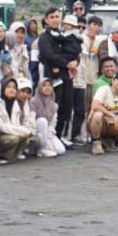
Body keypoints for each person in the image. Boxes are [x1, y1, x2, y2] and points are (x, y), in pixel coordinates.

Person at [37, 8, 78, 144]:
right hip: (52, 78)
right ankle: (50, 137)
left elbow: (75, 51)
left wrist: (75, 61)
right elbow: (49, 55)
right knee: (54, 107)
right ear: (46, 20)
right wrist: (67, 63)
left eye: (57, 17)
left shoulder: (64, 35)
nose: (55, 19)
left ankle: (59, 136)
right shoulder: (44, 37)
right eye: (52, 17)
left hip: (67, 77)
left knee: (66, 107)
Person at [0, 79, 33, 162]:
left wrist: (26, 132)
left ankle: (13, 155)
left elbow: (16, 124)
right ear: (3, 88)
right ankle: (2, 156)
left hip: (10, 132)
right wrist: (24, 131)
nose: (12, 89)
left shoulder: (15, 104)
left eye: (14, 87)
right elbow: (1, 126)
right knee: (15, 138)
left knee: (25, 138)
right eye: (9, 87)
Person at [29, 78, 66, 157]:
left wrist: (49, 140)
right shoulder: (33, 101)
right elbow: (31, 120)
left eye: (49, 86)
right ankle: (41, 149)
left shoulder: (54, 105)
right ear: (39, 87)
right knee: (42, 121)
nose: (47, 88)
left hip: (47, 132)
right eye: (44, 86)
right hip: (36, 132)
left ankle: (45, 146)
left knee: (61, 150)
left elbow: (53, 124)